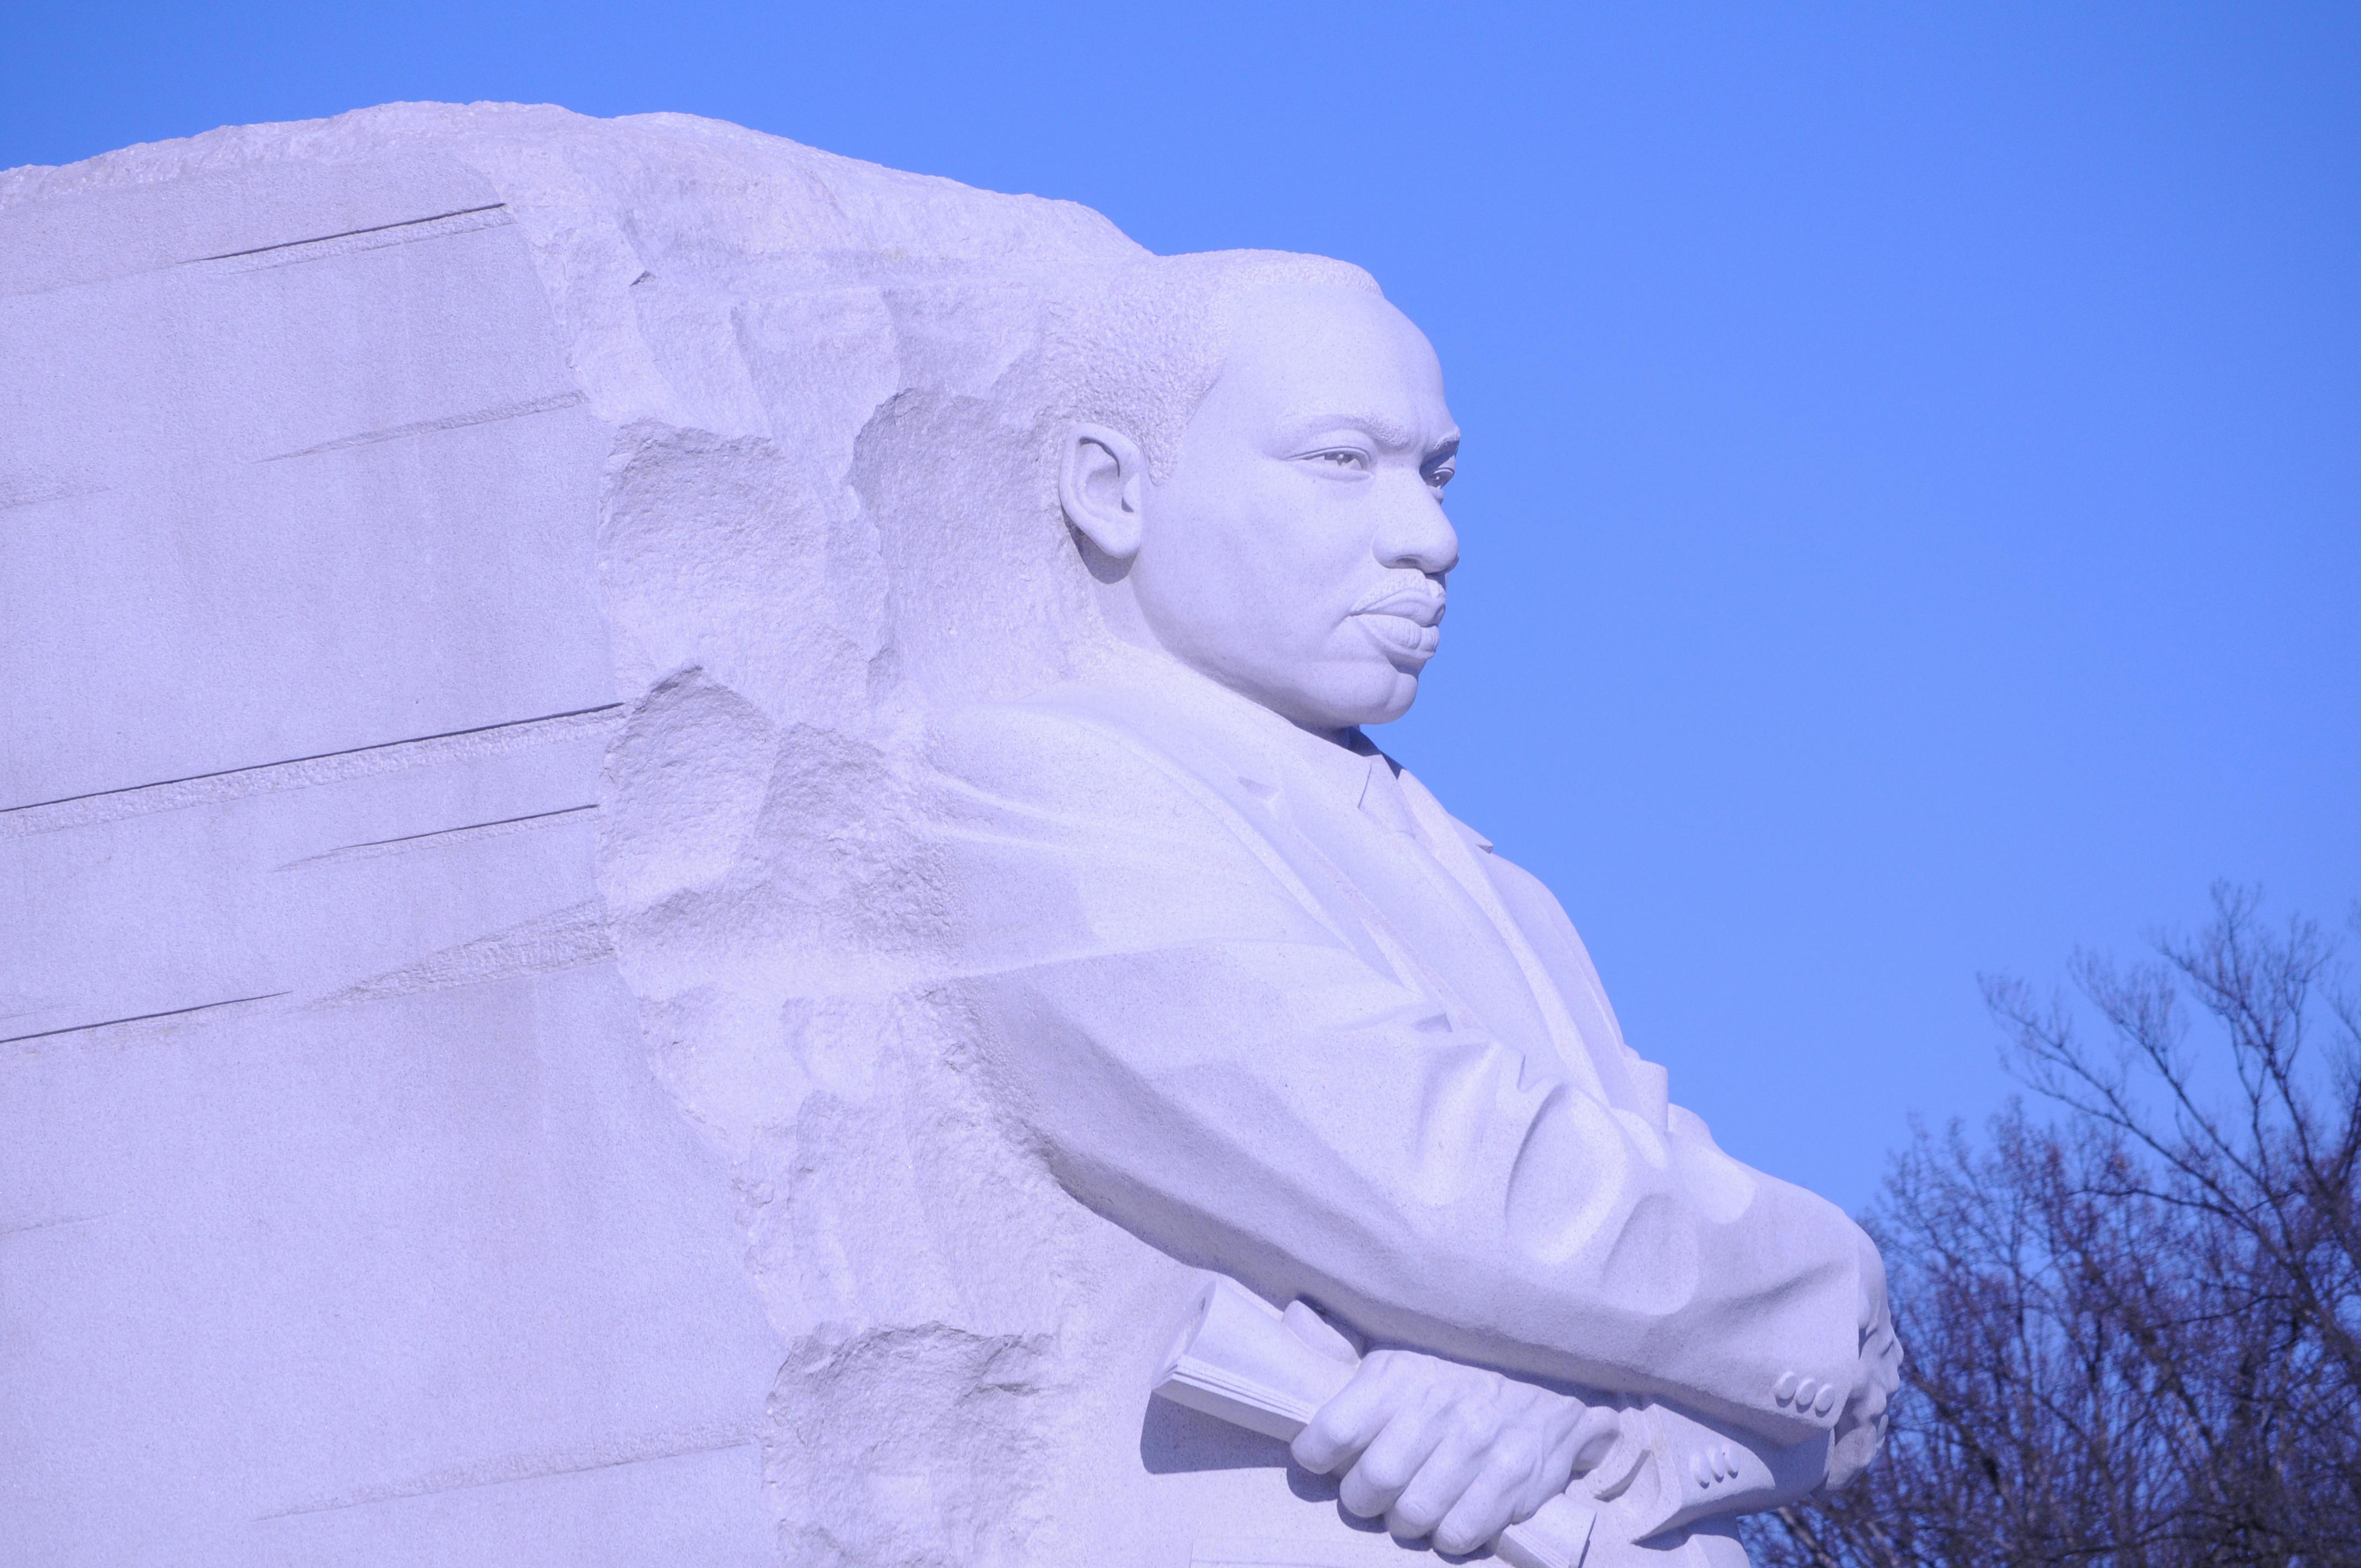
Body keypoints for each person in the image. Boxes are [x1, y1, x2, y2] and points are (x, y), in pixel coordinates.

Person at [911, 254, 1898, 1564]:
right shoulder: (1043, 790)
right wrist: (1820, 1282)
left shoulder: (1496, 885)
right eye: (1341, 463)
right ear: (1113, 489)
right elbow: (1463, 1198)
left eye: (1432, 475)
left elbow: (1843, 1401)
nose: (1429, 538)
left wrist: (1585, 1412)